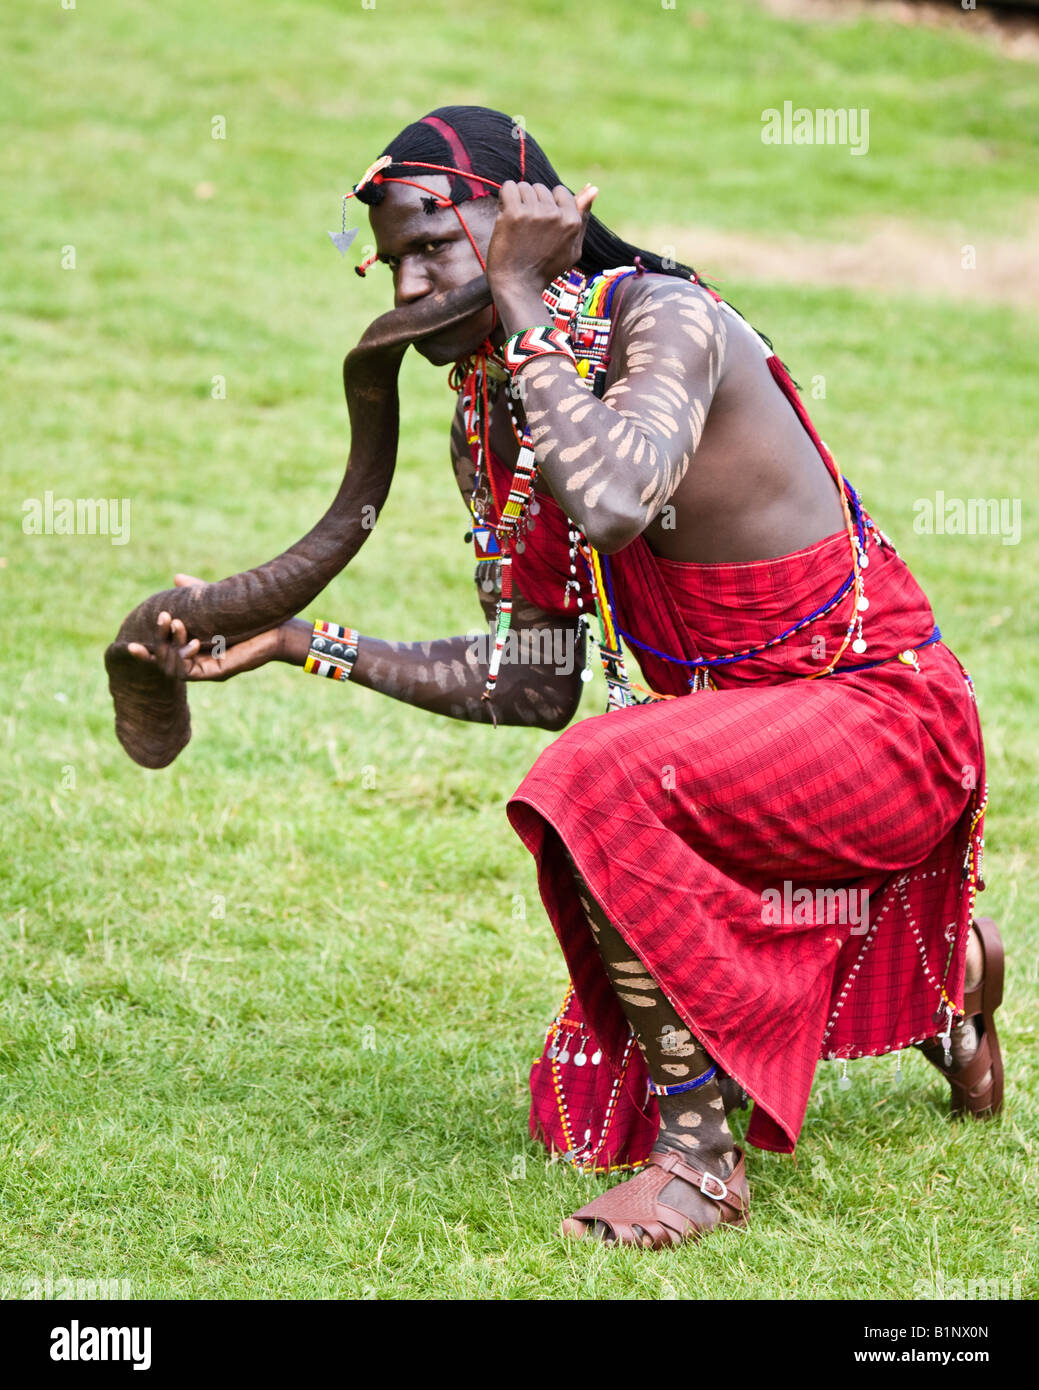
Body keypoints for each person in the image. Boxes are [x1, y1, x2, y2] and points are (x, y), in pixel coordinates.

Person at [128, 106, 1001, 1250]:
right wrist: (303, 643)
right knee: (572, 1106)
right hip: (740, 744)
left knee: (596, 776)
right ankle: (945, 970)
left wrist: (529, 297)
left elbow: (617, 499)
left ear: (529, 220)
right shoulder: (497, 411)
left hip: (884, 722)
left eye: (434, 244)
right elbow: (528, 679)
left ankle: (698, 1167)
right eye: (392, 259)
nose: (407, 281)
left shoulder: (664, 320)